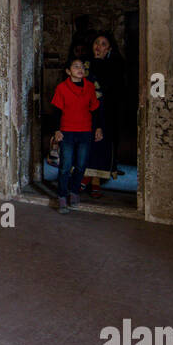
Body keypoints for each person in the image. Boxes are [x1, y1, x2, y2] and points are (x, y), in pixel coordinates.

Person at [50, 57, 102, 214]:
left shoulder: (90, 87)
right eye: (76, 66)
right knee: (65, 166)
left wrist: (98, 128)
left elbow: (95, 109)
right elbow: (56, 111)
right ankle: (62, 196)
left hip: (85, 131)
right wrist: (57, 130)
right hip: (67, 132)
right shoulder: (62, 88)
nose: (80, 69)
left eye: (82, 67)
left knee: (81, 165)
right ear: (68, 71)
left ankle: (74, 192)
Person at [83, 33, 126, 198]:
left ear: (109, 48)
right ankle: (86, 175)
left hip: (106, 111)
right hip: (86, 110)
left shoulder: (115, 65)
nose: (98, 47)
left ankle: (96, 180)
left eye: (103, 44)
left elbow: (116, 90)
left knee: (102, 142)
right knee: (86, 142)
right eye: (96, 42)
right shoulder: (85, 64)